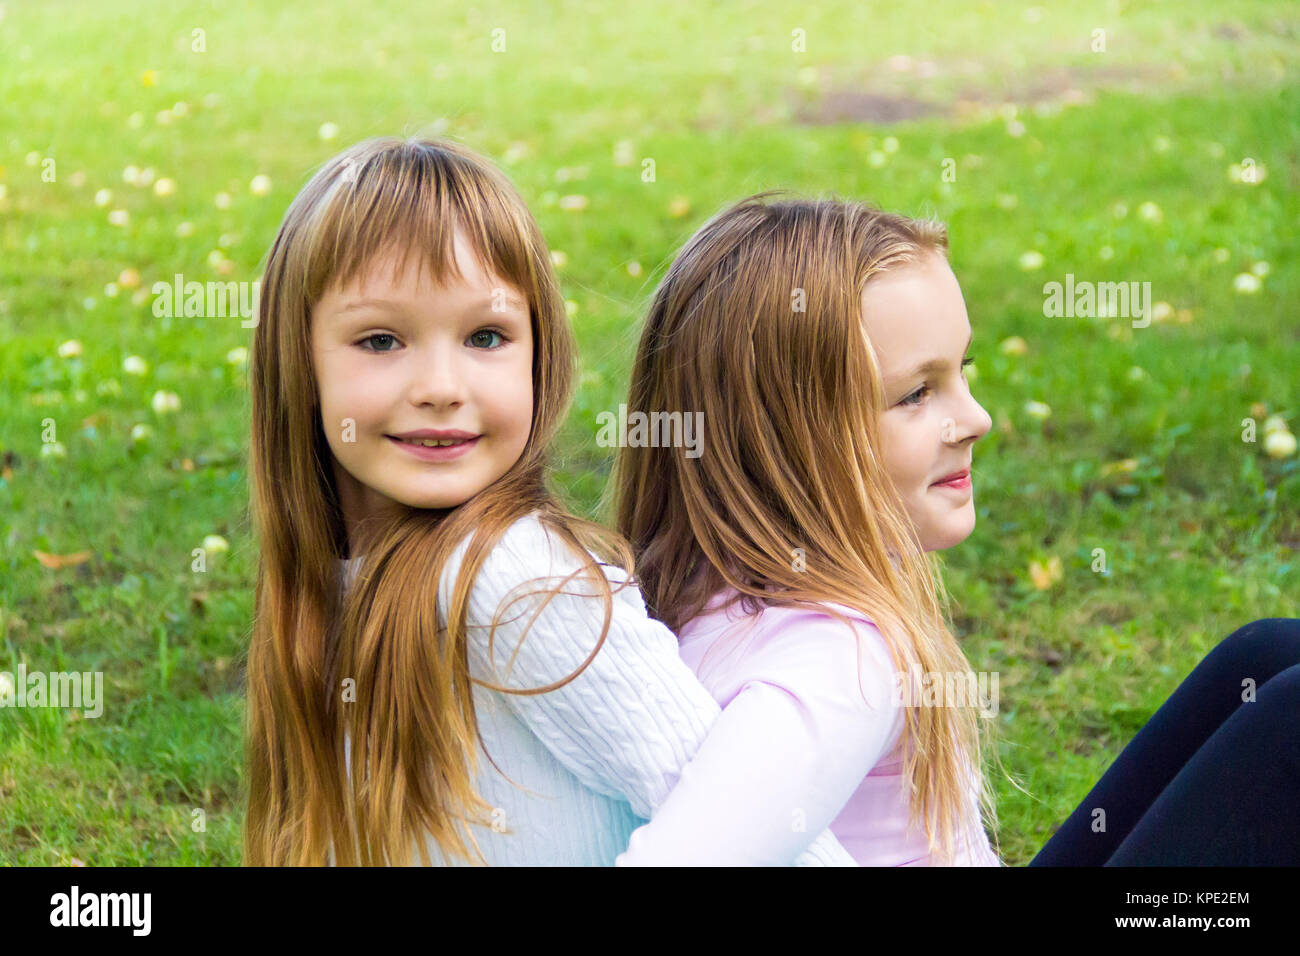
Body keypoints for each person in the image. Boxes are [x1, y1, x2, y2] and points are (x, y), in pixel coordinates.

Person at [611, 192, 1300, 866]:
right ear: (776, 442)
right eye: (916, 394)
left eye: (962, 370)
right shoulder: (836, 663)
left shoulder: (700, 583)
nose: (977, 419)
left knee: (1269, 654)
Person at [240, 138, 855, 866]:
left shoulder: (518, 578)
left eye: (486, 336)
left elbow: (751, 824)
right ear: (296, 362)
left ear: (539, 354)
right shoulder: (327, 588)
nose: (441, 384)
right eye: (381, 340)